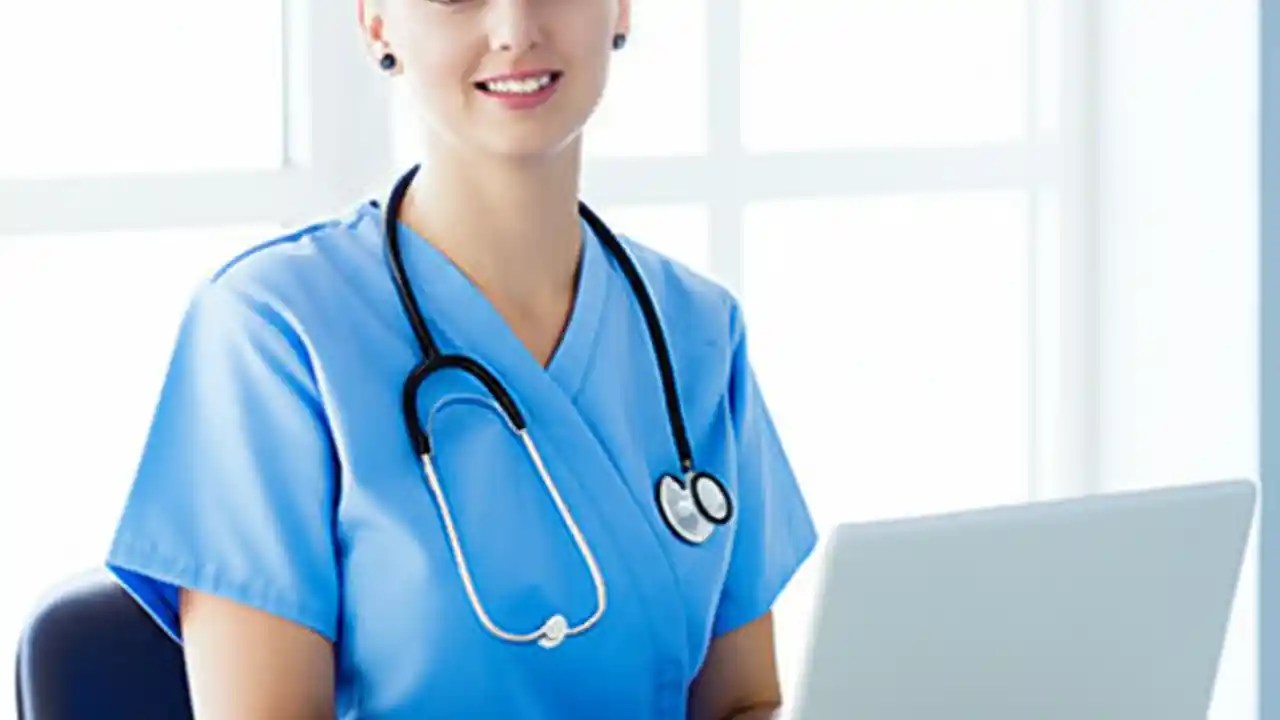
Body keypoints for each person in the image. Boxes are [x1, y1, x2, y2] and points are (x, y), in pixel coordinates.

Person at [104, 0, 817, 717]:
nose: (514, 29)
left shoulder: (696, 329)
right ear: (377, 22)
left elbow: (742, 702)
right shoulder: (271, 332)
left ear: (621, 8)